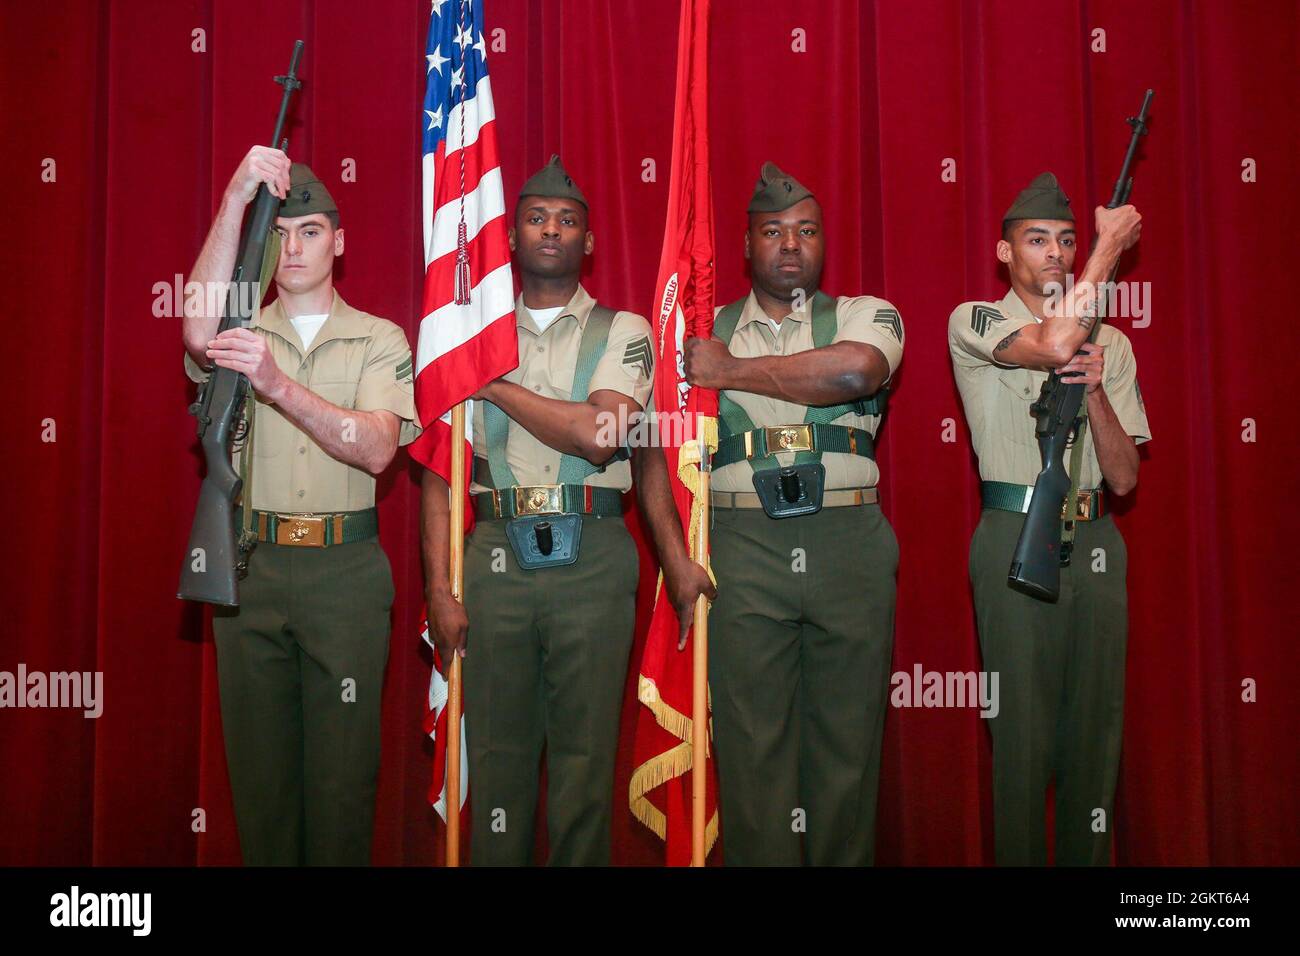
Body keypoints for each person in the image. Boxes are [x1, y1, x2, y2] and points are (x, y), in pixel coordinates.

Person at [635, 162, 903, 865]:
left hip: (848, 541)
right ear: (748, 246)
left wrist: (729, 374)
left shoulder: (860, 314)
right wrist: (672, 555)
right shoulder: (701, 334)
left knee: (848, 748)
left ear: (824, 243)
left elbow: (855, 373)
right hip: (742, 549)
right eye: (773, 232)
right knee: (754, 754)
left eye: (807, 231)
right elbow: (651, 449)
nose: (791, 245)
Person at [181, 148, 419, 865]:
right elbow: (195, 327)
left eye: (310, 231)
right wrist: (234, 195)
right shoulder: (240, 326)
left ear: (338, 242)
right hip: (251, 572)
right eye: (281, 233)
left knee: (343, 785)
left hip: (344, 575)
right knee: (263, 789)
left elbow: (378, 449)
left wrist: (278, 384)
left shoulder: (379, 338)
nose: (294, 248)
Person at [421, 156, 654, 865]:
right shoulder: (462, 337)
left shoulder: (624, 329)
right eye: (536, 218)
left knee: (585, 768)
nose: (552, 229)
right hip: (494, 555)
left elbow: (602, 434)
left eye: (568, 220)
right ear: (510, 237)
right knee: (498, 762)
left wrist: (490, 387)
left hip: (594, 552)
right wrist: (438, 585)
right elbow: (437, 471)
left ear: (588, 242)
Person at [947, 171, 1148, 865]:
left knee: (1097, 745)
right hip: (1015, 534)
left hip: (1096, 540)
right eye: (1038, 241)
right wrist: (1108, 250)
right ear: (1006, 254)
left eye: (1068, 241)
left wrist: (1095, 393)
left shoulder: (1112, 346)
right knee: (1022, 747)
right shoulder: (977, 318)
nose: (1057, 254)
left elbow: (1124, 477)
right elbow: (1054, 343)